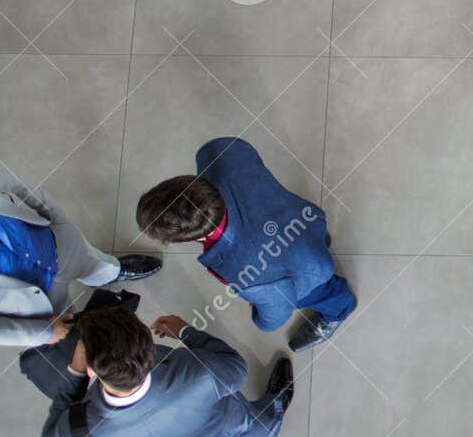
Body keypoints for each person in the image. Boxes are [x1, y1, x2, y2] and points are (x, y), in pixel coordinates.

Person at [135, 137, 358, 354]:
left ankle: (339, 309)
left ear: (188, 238)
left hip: (310, 272)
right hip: (306, 219)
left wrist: (260, 318)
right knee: (312, 241)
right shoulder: (222, 156)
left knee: (321, 293)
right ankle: (321, 243)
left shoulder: (246, 270)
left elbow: (278, 310)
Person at [0, 159, 160, 347]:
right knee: (75, 329)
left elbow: (17, 186)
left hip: (57, 243)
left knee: (94, 262)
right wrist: (44, 332)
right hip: (41, 302)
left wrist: (56, 217)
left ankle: (109, 273)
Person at [21, 308, 293, 437]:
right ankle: (269, 425)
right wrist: (186, 332)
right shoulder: (199, 374)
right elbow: (235, 368)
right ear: (147, 343)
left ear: (91, 369)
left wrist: (77, 374)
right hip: (211, 420)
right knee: (246, 422)